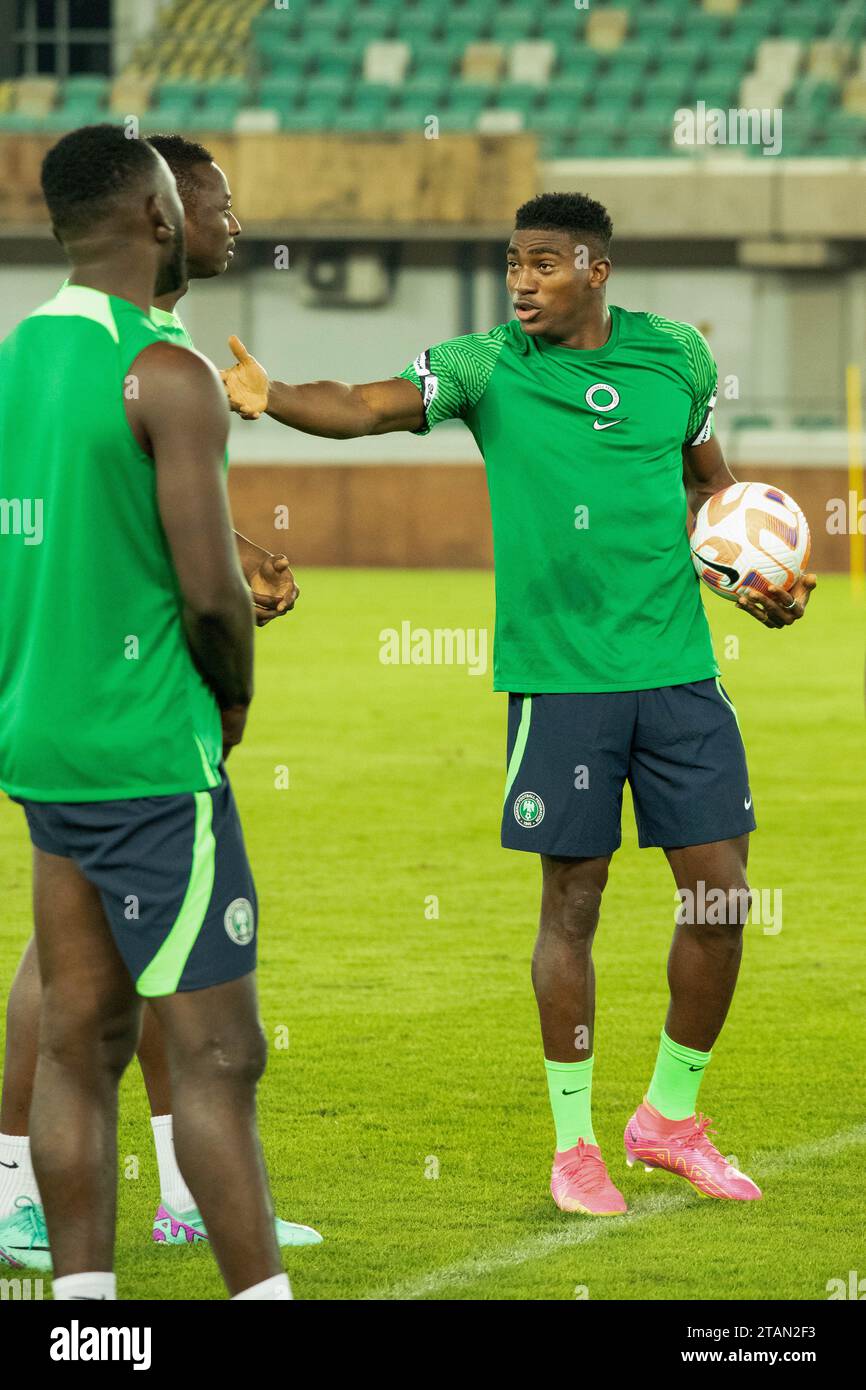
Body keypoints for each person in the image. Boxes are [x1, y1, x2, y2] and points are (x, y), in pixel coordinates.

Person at [219, 191, 815, 1215]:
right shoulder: (483, 365)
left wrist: (757, 573)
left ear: (596, 268)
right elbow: (366, 404)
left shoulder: (674, 356)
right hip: (558, 681)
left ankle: (667, 1119)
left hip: (677, 674)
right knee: (570, 908)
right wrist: (270, 394)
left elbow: (711, 488)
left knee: (720, 901)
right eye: (512, 262)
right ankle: (573, 1146)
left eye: (542, 263)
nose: (521, 281)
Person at [0, 132, 320, 1270]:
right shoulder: (167, 370)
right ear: (155, 212)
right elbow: (210, 601)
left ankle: (87, 1315)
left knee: (77, 1044)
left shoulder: (19, 351)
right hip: (148, 751)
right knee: (221, 1055)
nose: (209, 214)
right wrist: (231, 700)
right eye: (197, 200)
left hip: (44, 745)